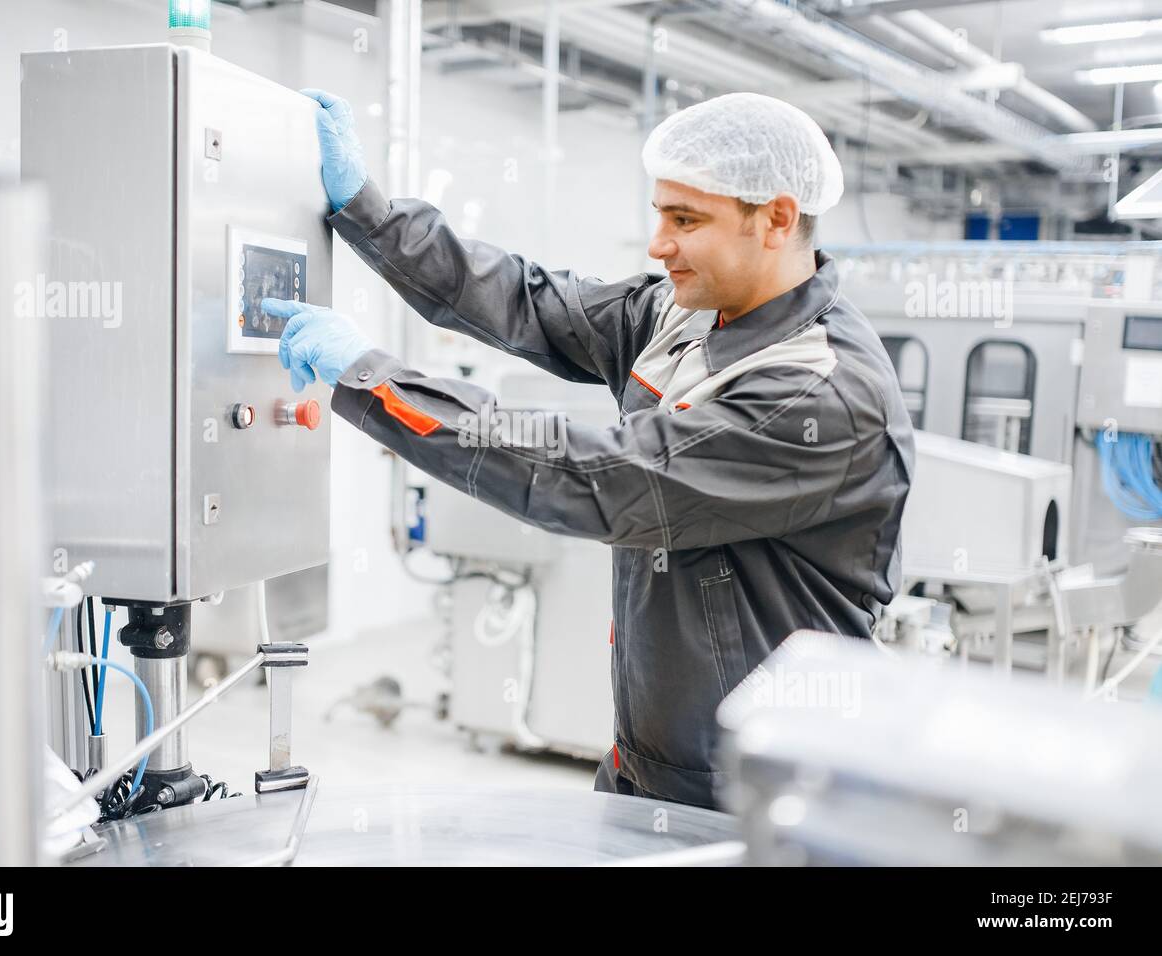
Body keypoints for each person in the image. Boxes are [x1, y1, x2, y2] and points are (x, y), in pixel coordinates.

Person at [263, 89, 915, 810]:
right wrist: (372, 216)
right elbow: (526, 300)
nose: (659, 243)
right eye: (660, 214)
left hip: (763, 791)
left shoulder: (819, 392)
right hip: (654, 763)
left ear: (778, 219)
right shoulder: (685, 316)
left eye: (685, 220)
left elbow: (593, 475)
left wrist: (375, 381)